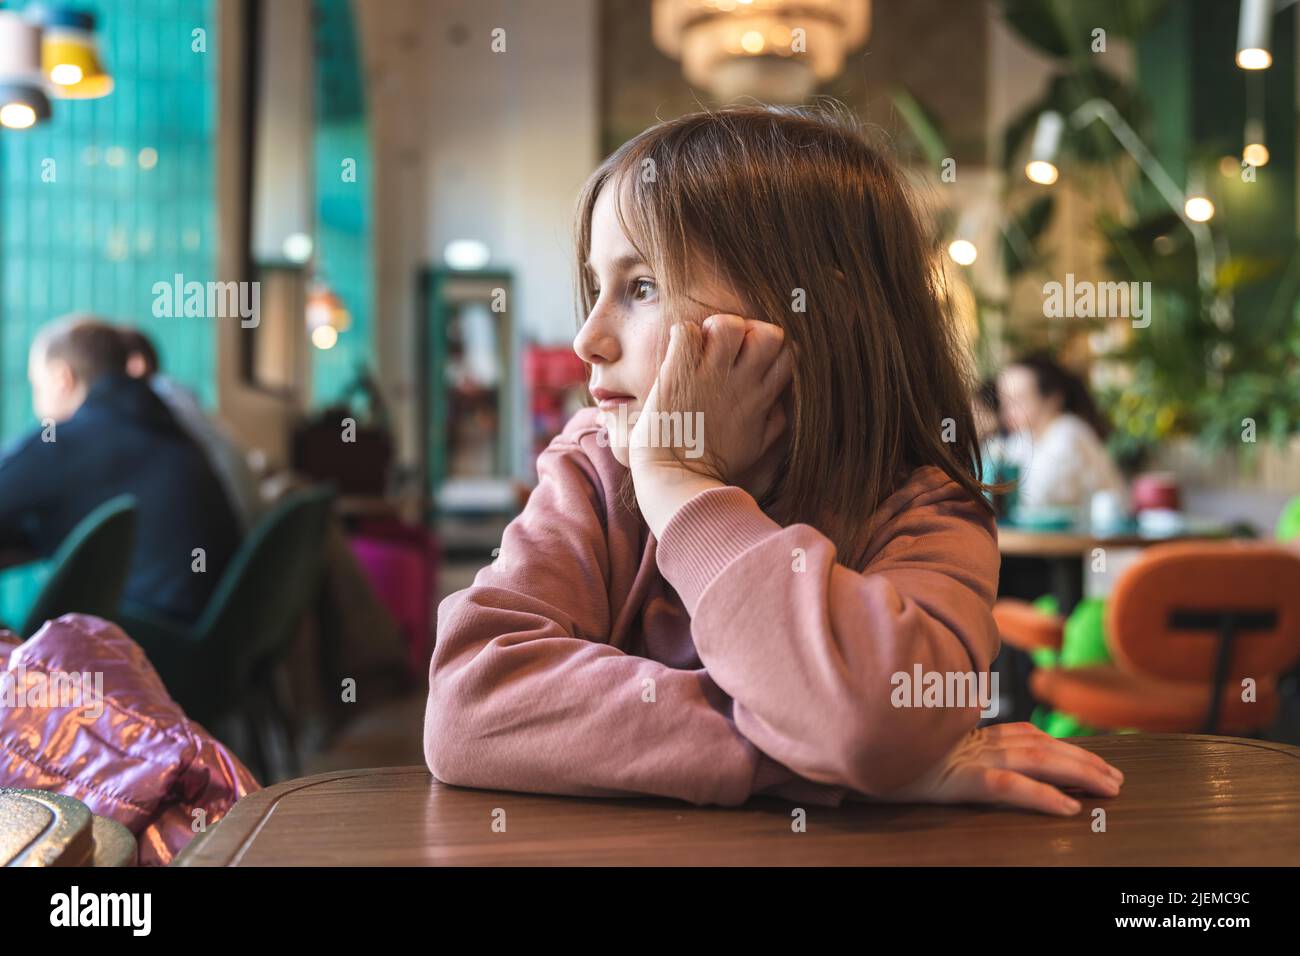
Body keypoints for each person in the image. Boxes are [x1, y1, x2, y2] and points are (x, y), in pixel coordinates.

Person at [424, 105, 1123, 816]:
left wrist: (682, 488)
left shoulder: (924, 507)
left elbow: (873, 721)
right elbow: (468, 707)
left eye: (641, 287)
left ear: (814, 309)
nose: (587, 337)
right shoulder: (595, 470)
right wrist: (826, 760)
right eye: (595, 286)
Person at [0, 315, 240, 624]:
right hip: (201, 635)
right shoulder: (165, 424)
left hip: (148, 641)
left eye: (37, 385)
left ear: (63, 379)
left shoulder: (67, 440)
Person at [119, 327, 260, 532]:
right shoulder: (176, 394)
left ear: (136, 364)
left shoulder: (156, 402)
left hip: (226, 525)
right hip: (244, 524)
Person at [997, 353, 1126, 515]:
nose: (1008, 411)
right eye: (1005, 402)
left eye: (1019, 400)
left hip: (1094, 537)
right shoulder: (1023, 438)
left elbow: (1036, 499)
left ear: (1052, 399)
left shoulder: (1068, 432)